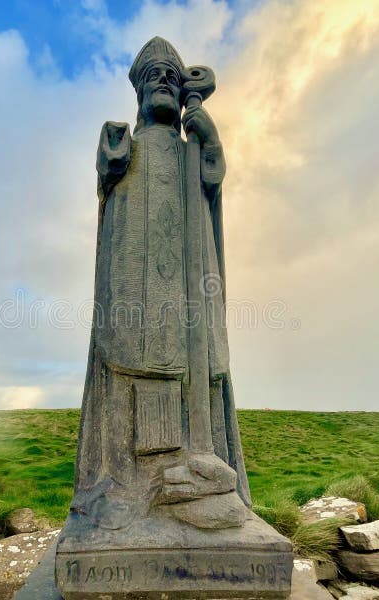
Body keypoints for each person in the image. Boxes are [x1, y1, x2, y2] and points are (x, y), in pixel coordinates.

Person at [71, 36, 250, 530]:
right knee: (129, 363)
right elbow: (108, 180)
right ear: (140, 91)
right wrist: (111, 160)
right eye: (155, 77)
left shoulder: (192, 151)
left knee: (198, 367)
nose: (165, 84)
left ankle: (199, 473)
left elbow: (211, 185)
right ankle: (124, 484)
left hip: (190, 292)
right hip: (135, 286)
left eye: (172, 77)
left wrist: (209, 138)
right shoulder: (126, 143)